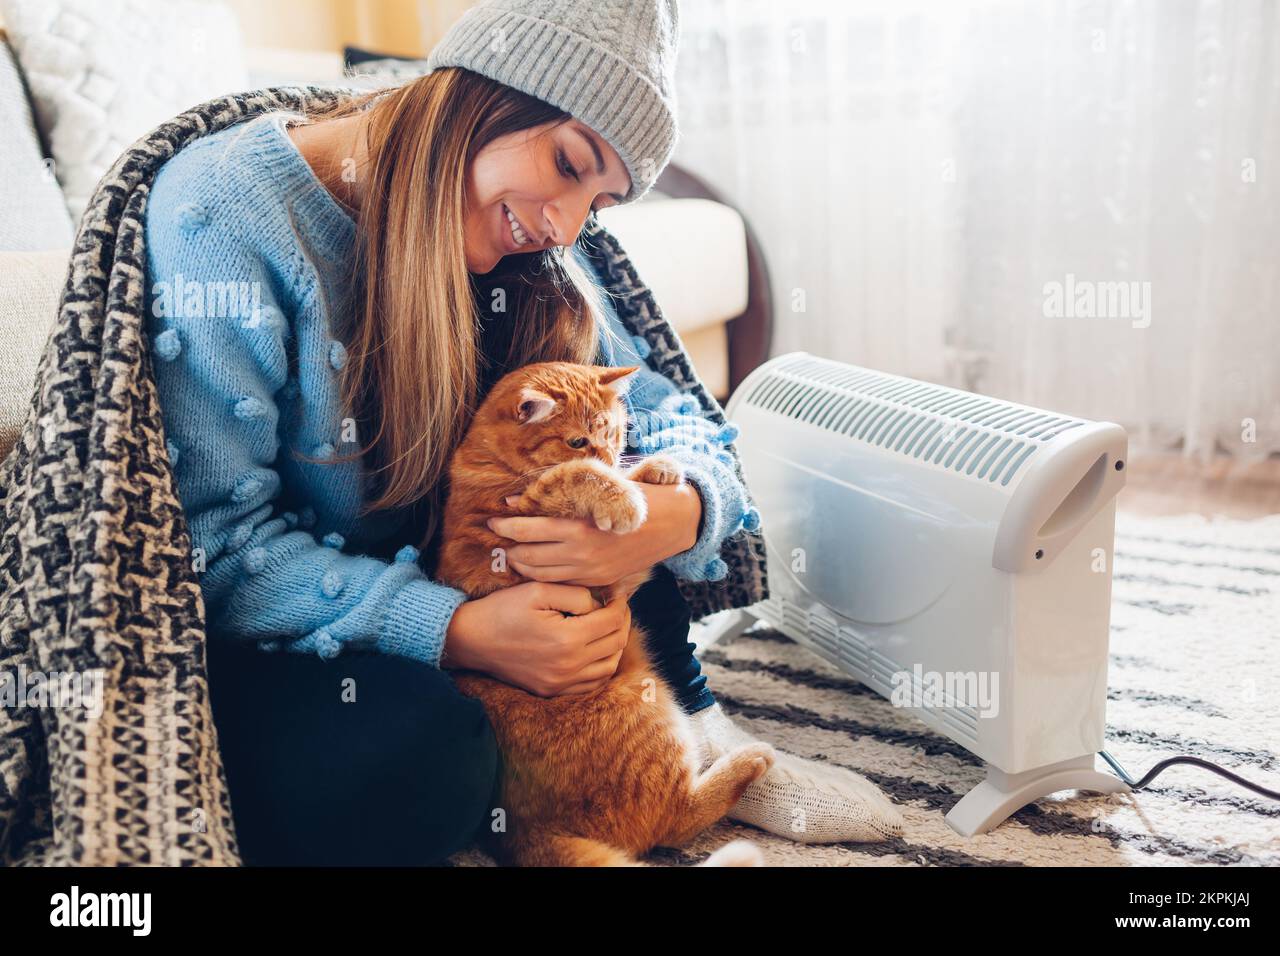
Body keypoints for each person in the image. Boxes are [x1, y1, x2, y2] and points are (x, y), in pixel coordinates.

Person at [144, 0, 902, 865]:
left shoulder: (525, 245)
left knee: (603, 474)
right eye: (569, 164)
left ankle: (699, 729)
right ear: (480, 95)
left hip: (481, 559)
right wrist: (459, 630)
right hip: (318, 626)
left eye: (602, 200)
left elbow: (671, 415)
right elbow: (215, 550)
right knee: (415, 766)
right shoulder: (225, 215)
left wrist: (677, 514)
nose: (566, 225)